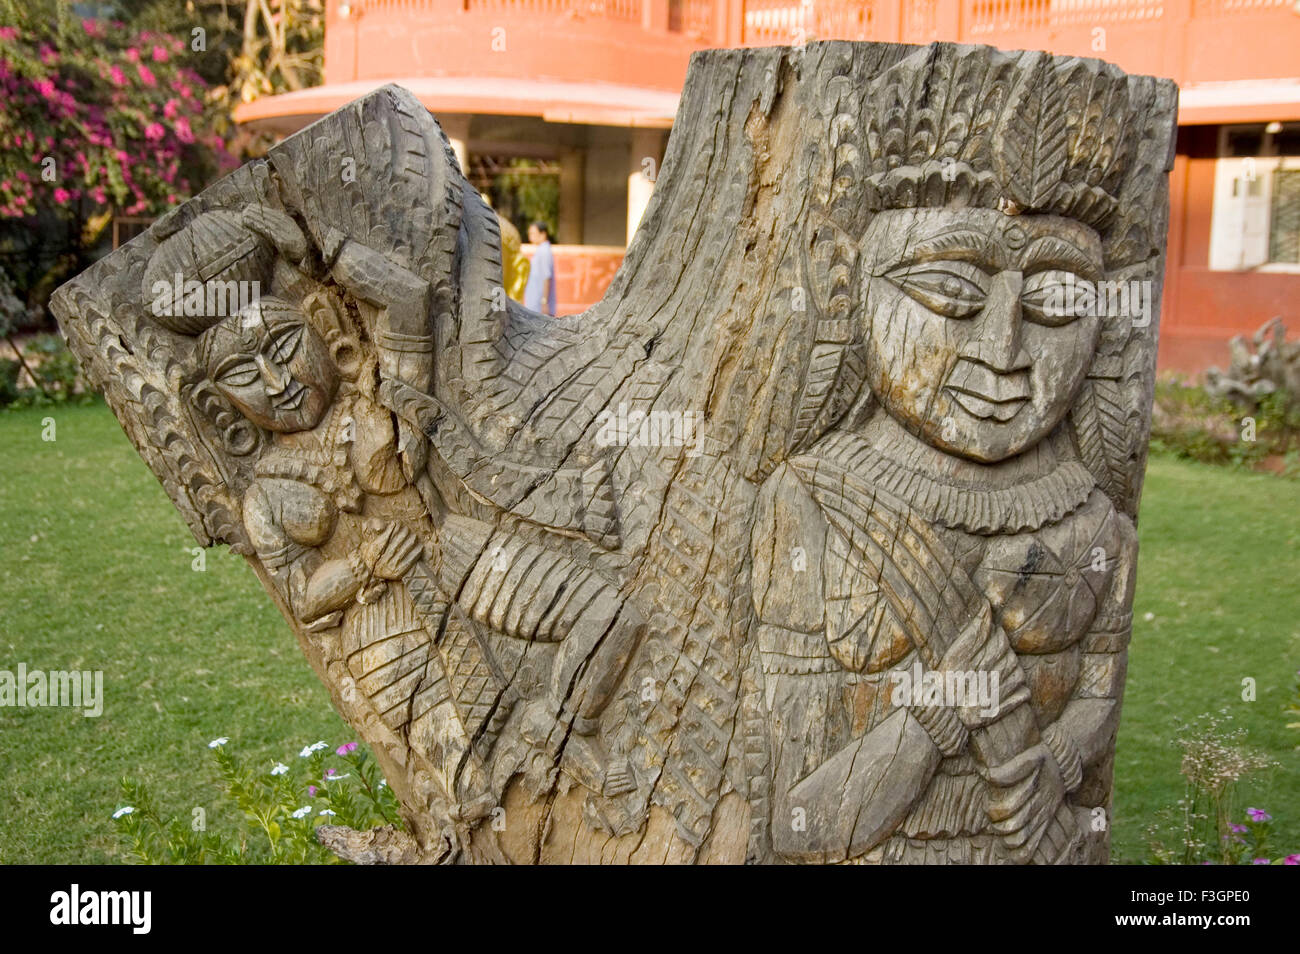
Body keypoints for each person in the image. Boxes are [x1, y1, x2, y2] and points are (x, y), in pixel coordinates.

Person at [523, 221, 556, 316]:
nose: (530, 236)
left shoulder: (544, 251)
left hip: (539, 307)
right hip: (535, 306)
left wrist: (544, 302)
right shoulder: (541, 250)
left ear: (543, 234)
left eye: (533, 233)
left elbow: (546, 277)